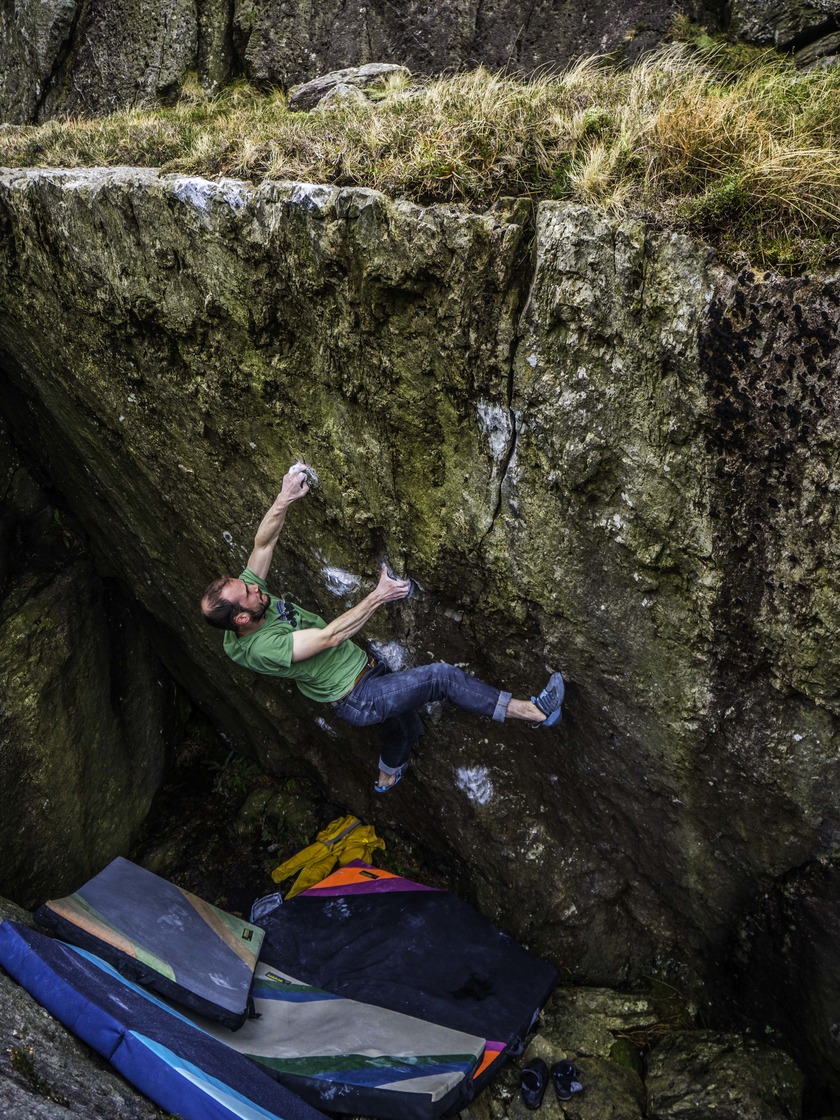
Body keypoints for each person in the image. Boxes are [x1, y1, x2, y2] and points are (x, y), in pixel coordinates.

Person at [201, 465, 564, 793]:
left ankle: (386, 777)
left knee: (406, 728)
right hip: (358, 697)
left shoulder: (249, 604)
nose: (255, 587)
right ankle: (534, 713)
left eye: (247, 583)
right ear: (242, 619)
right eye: (248, 592)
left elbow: (262, 544)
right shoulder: (260, 647)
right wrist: (380, 595)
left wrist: (284, 498)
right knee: (441, 678)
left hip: (365, 672)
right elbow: (330, 637)